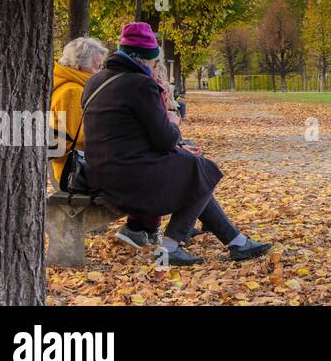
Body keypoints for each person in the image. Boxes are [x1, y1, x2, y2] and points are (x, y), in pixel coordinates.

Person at [83, 22, 271, 265]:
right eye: (152, 64)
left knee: (197, 169)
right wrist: (172, 122)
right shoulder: (140, 84)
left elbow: (125, 133)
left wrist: (179, 146)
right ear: (143, 60)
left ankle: (236, 242)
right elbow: (165, 140)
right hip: (129, 178)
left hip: (100, 173)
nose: (153, 69)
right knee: (202, 169)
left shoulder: (97, 81)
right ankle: (171, 246)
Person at [51, 36, 164, 246]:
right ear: (79, 66)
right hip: (77, 173)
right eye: (97, 66)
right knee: (154, 169)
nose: (102, 71)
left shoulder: (74, 86)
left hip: (83, 166)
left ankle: (145, 227)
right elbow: (89, 138)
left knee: (155, 166)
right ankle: (144, 227)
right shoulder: (72, 91)